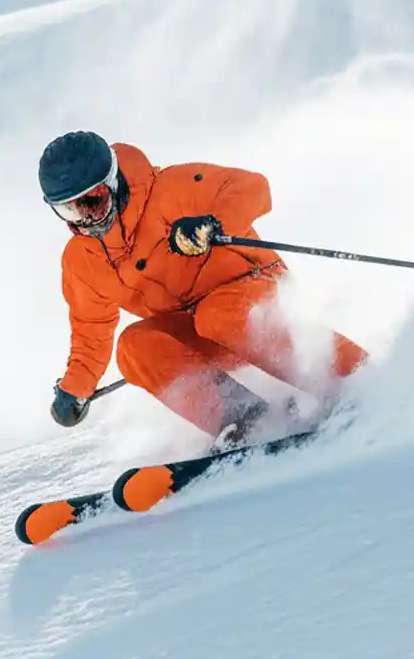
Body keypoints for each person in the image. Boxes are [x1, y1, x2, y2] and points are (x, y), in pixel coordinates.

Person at [40, 130, 368, 444]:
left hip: (256, 291)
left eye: (94, 202)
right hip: (201, 328)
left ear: (113, 183)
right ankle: (245, 422)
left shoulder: (171, 189)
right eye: (69, 210)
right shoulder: (82, 261)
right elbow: (90, 331)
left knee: (216, 315)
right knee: (133, 346)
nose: (86, 220)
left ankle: (350, 380)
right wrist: (75, 389)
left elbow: (254, 187)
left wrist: (212, 223)